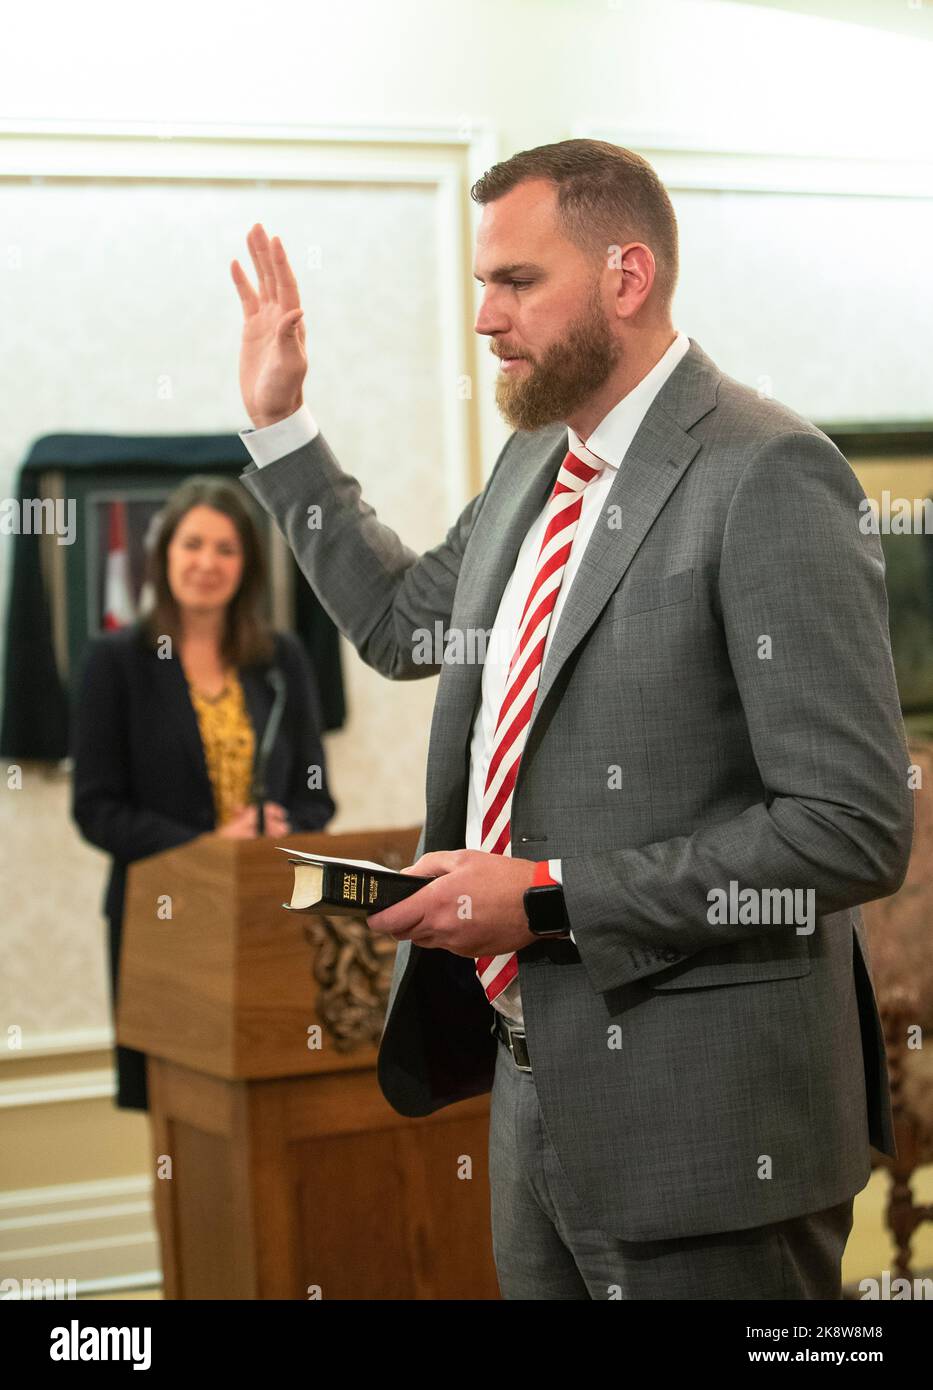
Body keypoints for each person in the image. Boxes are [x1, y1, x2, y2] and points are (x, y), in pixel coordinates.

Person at [230, 139, 913, 1300]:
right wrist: (283, 428)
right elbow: (405, 624)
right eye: (482, 285)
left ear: (626, 278)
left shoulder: (771, 472)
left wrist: (541, 896)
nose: (486, 320)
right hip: (532, 1091)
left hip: (713, 1127)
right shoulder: (533, 465)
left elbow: (850, 828)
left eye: (516, 282)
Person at [71, 477, 336, 1111]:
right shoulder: (115, 662)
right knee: (175, 1104)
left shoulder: (280, 658)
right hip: (163, 918)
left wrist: (286, 821)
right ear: (164, 554)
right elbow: (97, 809)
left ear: (246, 565)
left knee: (269, 1095)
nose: (207, 564)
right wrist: (205, 846)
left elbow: (316, 794)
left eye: (225, 549)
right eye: (193, 545)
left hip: (265, 912)